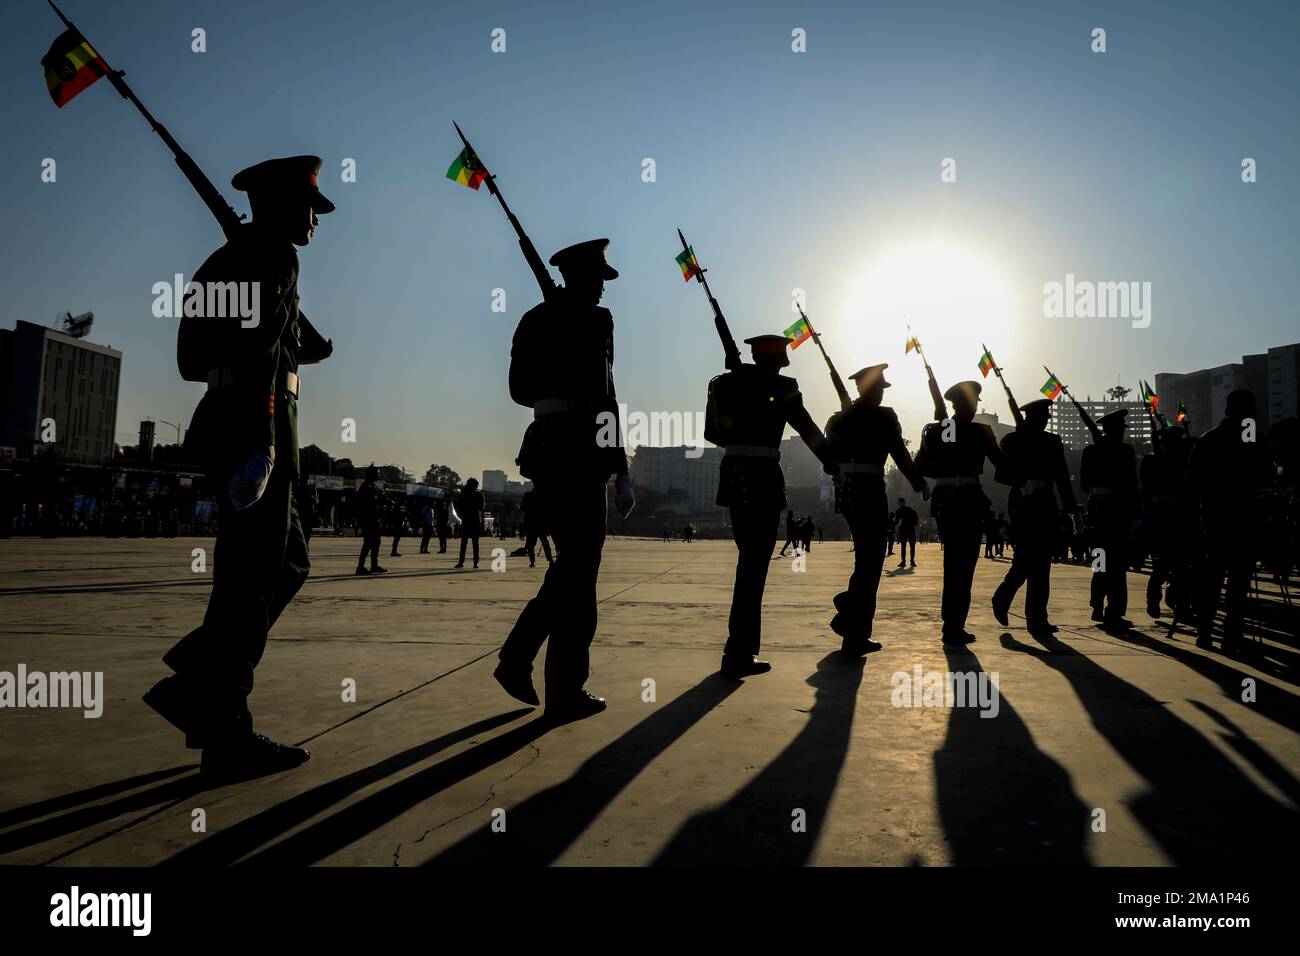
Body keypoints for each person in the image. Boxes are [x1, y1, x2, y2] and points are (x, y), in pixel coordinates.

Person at [143, 155, 334, 779]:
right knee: (253, 578)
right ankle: (225, 732)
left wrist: (301, 340)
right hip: (260, 427)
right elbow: (258, 356)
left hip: (231, 420)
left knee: (286, 563)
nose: (315, 219)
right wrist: (263, 441)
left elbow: (192, 359)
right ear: (279, 207)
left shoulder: (218, 267)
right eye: (309, 207)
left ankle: (201, 683)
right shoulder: (276, 257)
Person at [493, 239, 635, 720]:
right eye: (597, 279)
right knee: (579, 569)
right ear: (580, 278)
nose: (601, 288)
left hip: (557, 450)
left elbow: (525, 392)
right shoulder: (577, 321)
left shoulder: (555, 319)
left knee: (576, 570)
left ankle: (555, 684)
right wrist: (621, 468)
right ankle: (530, 664)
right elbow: (596, 394)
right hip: (574, 450)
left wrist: (620, 469)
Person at [707, 334, 839, 678]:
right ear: (779, 358)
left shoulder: (727, 383)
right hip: (762, 478)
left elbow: (714, 433)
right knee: (753, 568)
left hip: (734, 477)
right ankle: (738, 653)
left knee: (748, 564)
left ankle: (739, 650)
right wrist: (833, 464)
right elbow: (807, 428)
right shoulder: (782, 386)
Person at [824, 364, 928, 654]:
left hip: (847, 494)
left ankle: (853, 631)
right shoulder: (884, 416)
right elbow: (899, 452)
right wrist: (918, 482)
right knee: (870, 562)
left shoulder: (839, 418)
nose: (882, 394)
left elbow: (828, 457)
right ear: (867, 389)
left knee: (866, 561)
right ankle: (849, 612)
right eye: (879, 388)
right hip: (869, 490)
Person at [914, 380, 1012, 645]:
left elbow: (923, 467)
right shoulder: (979, 432)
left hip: (947, 502)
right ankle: (953, 625)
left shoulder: (939, 430)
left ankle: (952, 624)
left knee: (956, 564)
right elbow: (1002, 465)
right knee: (963, 565)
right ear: (959, 405)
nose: (972, 407)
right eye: (970, 403)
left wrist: (943, 435)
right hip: (967, 501)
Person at [1187, 390, 1275, 655]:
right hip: (1244, 519)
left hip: (1215, 519)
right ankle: (1231, 634)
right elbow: (1267, 476)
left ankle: (1205, 630)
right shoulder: (1253, 439)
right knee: (1238, 582)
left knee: (1212, 578)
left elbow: (1191, 481)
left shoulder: (1208, 439)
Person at [991, 399, 1076, 636]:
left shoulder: (1051, 441)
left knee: (1040, 563)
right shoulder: (1011, 441)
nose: (1047, 419)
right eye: (1044, 416)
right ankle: (1007, 599)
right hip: (1022, 502)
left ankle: (1034, 616)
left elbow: (1061, 475)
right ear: (1032, 417)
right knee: (1028, 558)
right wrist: (1022, 482)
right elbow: (1000, 474)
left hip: (1046, 503)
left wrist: (1070, 508)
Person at [1080, 408, 1139, 630]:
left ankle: (1097, 605)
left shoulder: (1091, 451)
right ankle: (1112, 611)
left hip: (1097, 509)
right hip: (1117, 511)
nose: (1123, 433)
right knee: (1115, 564)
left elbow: (1085, 484)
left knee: (1101, 560)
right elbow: (1131, 484)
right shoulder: (1124, 451)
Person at [1139, 423, 1193, 619]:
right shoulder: (1154, 461)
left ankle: (1176, 600)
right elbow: (1146, 489)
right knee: (1162, 565)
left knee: (1178, 565)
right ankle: (1155, 600)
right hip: (1163, 517)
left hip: (1175, 516)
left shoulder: (1181, 461)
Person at [355, 465, 386, 575]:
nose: (378, 475)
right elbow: (369, 504)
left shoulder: (372, 486)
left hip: (374, 520)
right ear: (370, 474)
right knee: (368, 544)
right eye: (376, 473)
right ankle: (360, 567)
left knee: (376, 543)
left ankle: (374, 565)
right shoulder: (366, 487)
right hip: (369, 521)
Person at [455, 478, 485, 568]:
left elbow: (458, 506)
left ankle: (462, 562)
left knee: (465, 542)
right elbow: (481, 507)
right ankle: (475, 562)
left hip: (468, 520)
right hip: (474, 520)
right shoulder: (477, 494)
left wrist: (464, 512)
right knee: (474, 543)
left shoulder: (465, 494)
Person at [521, 487, 553, 567]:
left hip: (531, 523)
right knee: (544, 543)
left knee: (531, 544)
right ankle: (550, 560)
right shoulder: (544, 496)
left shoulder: (528, 495)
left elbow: (522, 508)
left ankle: (533, 561)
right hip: (541, 523)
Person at [894, 497, 919, 568]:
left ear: (899, 503)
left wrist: (891, 527)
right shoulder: (910, 510)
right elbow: (915, 521)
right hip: (910, 530)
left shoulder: (898, 511)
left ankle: (903, 562)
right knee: (912, 547)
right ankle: (912, 561)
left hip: (904, 531)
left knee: (903, 547)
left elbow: (896, 522)